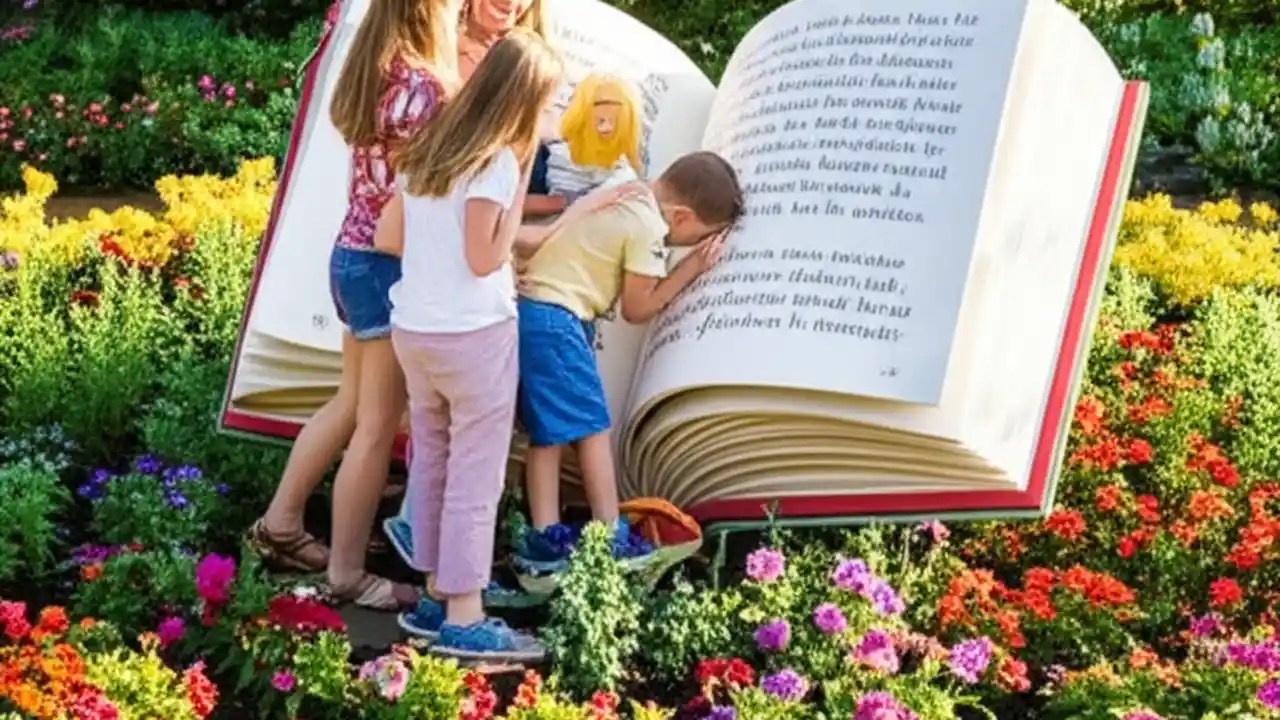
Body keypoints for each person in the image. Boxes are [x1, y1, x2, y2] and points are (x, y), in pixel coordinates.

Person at [246, 0, 457, 611]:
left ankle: (281, 523)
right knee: (377, 425)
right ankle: (347, 575)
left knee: (348, 402)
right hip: (389, 265)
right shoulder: (423, 86)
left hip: (351, 256)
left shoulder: (373, 69)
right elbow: (428, 195)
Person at [373, 29, 563, 660]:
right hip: (472, 336)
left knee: (431, 462)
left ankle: (431, 597)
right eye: (544, 105)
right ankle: (463, 615)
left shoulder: (430, 148)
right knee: (475, 479)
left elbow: (389, 237)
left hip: (416, 331)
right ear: (521, 101)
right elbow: (485, 258)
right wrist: (514, 210)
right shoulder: (495, 162)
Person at [513, 150, 745, 574]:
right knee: (593, 429)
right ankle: (611, 534)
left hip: (534, 310)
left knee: (549, 431)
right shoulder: (648, 227)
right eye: (694, 239)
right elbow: (638, 308)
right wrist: (689, 268)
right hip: (558, 318)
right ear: (681, 217)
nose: (685, 247)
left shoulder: (627, 187)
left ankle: (545, 537)